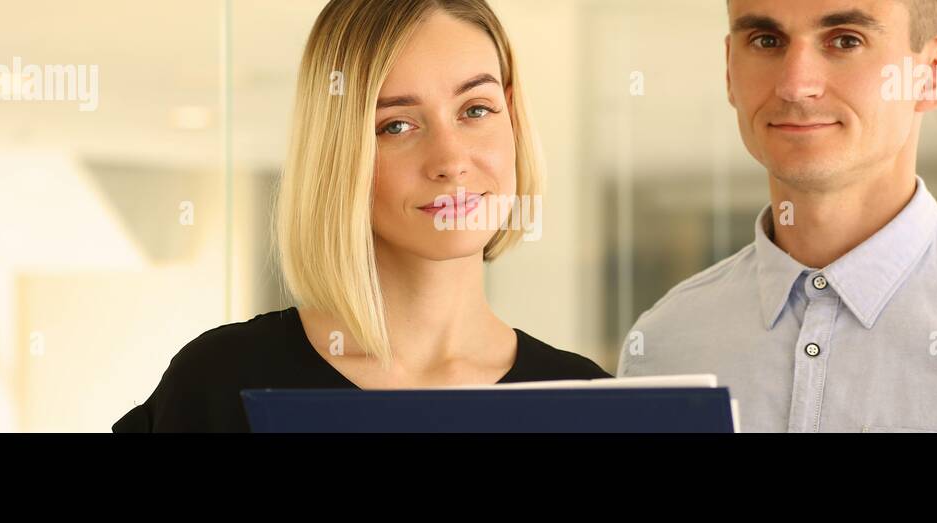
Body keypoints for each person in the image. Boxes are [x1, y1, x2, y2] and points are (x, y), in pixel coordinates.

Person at [619, 0, 937, 432]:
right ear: (730, 69)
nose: (795, 85)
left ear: (936, 74)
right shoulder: (663, 344)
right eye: (766, 40)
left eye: (846, 40)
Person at [115, 0, 608, 433]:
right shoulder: (221, 384)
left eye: (475, 110)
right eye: (396, 125)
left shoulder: (594, 402)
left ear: (513, 118)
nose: (451, 160)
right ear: (338, 153)